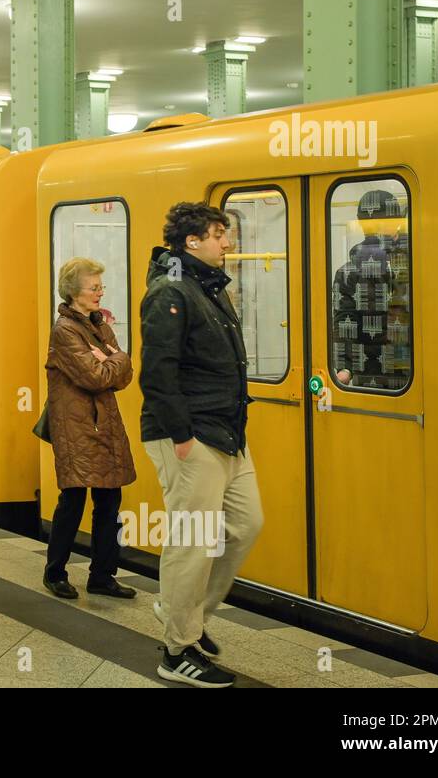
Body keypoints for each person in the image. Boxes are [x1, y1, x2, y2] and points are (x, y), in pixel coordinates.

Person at [140, 201, 263, 688]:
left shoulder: (206, 287)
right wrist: (182, 436)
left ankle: (183, 611)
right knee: (193, 540)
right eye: (218, 234)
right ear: (192, 241)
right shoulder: (171, 291)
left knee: (246, 524)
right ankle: (176, 649)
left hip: (228, 433)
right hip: (190, 435)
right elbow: (158, 372)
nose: (227, 242)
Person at [42, 258, 137, 601]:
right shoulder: (65, 330)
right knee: (73, 498)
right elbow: (94, 377)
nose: (100, 293)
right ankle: (55, 572)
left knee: (109, 499)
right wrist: (114, 358)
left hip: (103, 423)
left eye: (101, 287)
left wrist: (111, 358)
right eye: (93, 287)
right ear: (73, 292)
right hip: (77, 427)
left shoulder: (99, 324)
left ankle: (102, 575)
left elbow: (123, 374)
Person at [329, 188, 410, 391]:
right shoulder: (413, 263)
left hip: (367, 375)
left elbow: (345, 322)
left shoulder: (346, 272)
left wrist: (345, 368)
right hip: (412, 371)